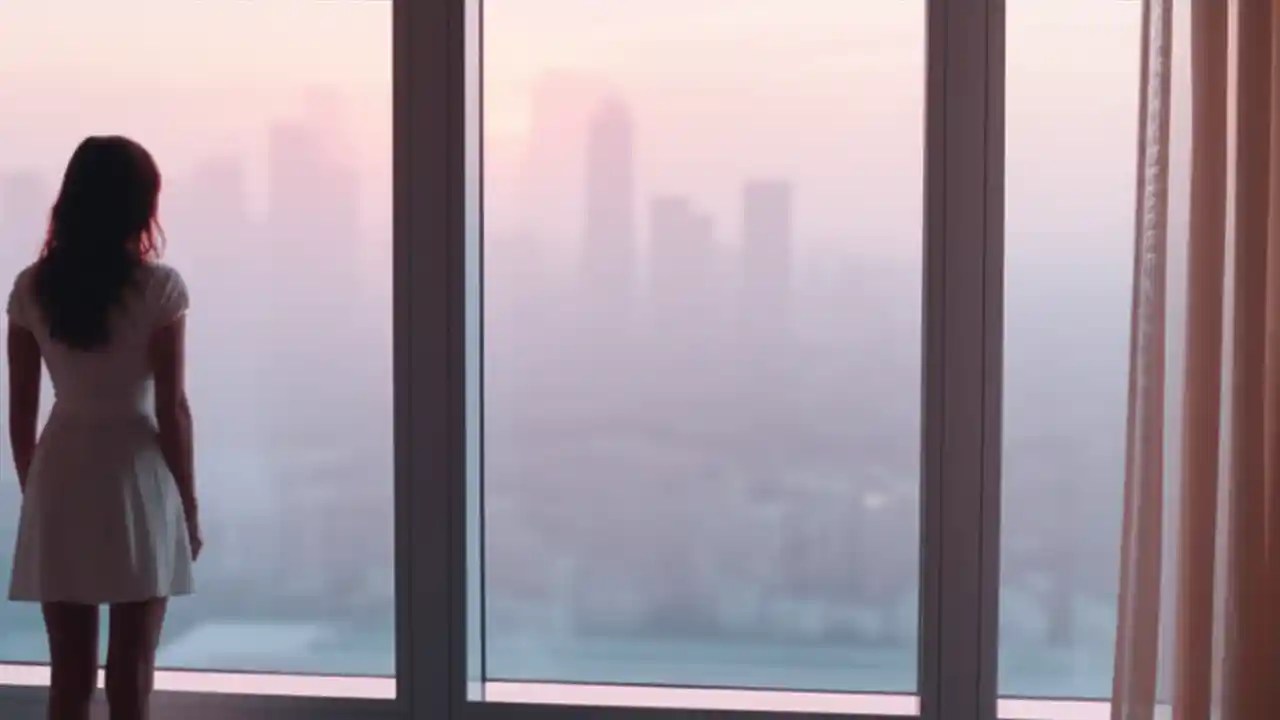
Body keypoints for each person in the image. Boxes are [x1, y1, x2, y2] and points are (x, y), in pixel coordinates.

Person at [5, 136, 201, 720]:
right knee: (131, 670)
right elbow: (173, 409)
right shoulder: (160, 289)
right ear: (140, 205)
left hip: (61, 471)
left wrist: (33, 488)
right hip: (136, 476)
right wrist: (188, 505)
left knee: (67, 673)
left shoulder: (30, 289)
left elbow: (19, 410)